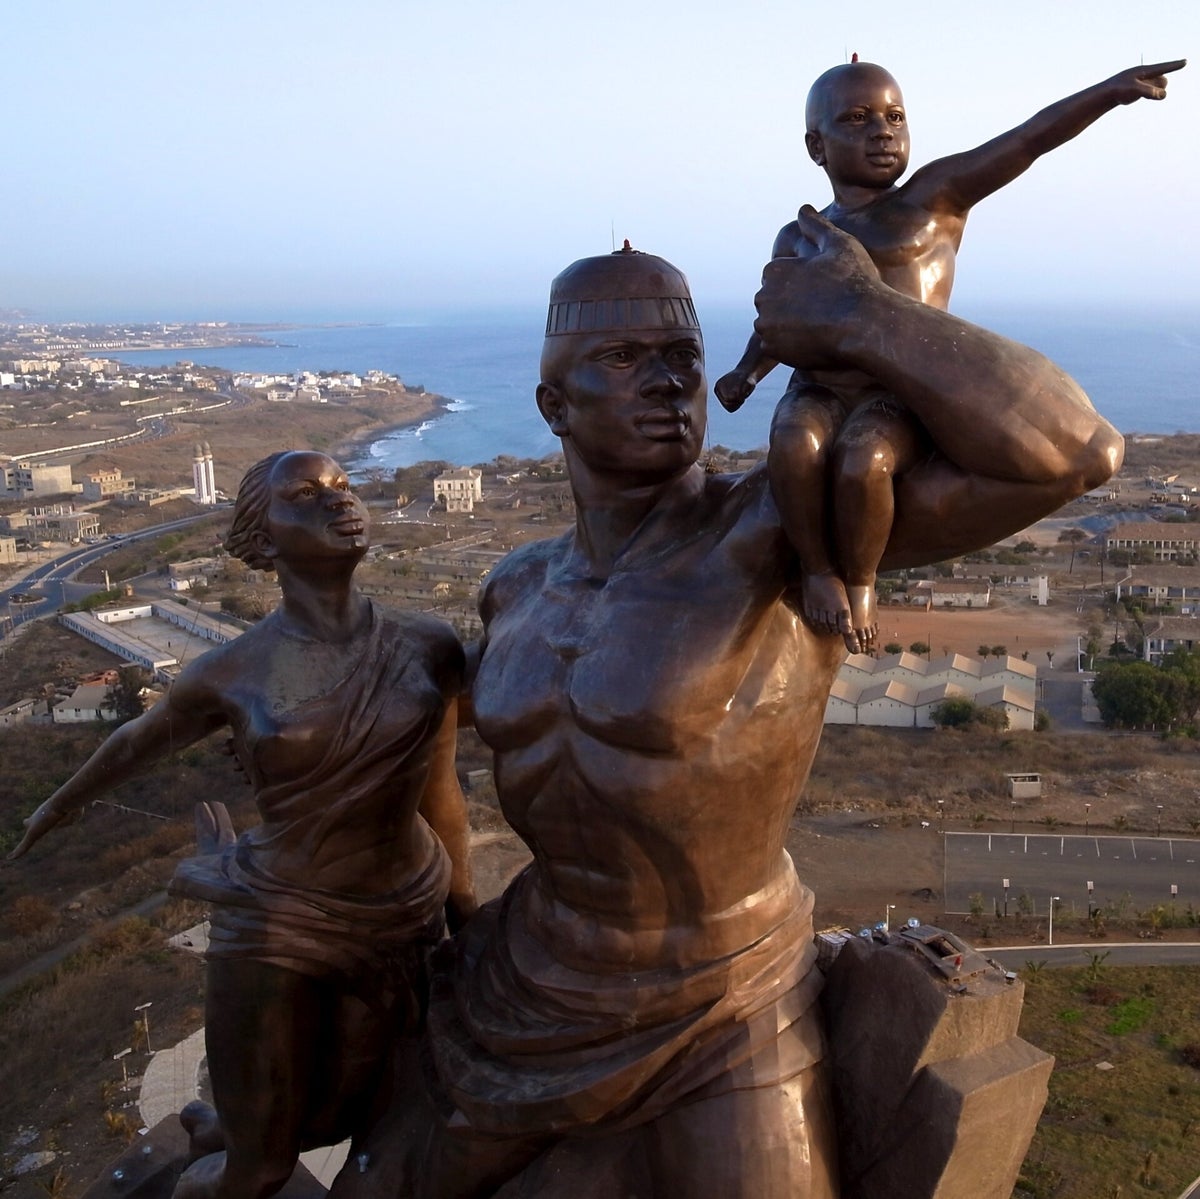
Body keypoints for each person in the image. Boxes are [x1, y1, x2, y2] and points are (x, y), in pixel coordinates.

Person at [338, 227, 1120, 1199]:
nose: (667, 384)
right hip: (524, 976)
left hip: (724, 995)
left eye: (682, 359)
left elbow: (1074, 450)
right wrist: (444, 901)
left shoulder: (777, 535)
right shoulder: (514, 588)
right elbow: (422, 750)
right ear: (552, 404)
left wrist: (860, 312)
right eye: (623, 360)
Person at [9, 451, 476, 1199]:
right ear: (262, 542)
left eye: (343, 487)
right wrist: (56, 806)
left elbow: (441, 787)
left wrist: (464, 912)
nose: (339, 502)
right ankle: (207, 1170)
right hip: (277, 925)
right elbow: (135, 741)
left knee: (365, 1117)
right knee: (261, 1169)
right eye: (305, 495)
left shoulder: (428, 643)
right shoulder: (231, 672)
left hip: (404, 914)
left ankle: (223, 1128)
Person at [716, 57, 1184, 653]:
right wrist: (746, 374)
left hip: (899, 394)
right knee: (793, 445)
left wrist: (1107, 93)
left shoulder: (931, 200)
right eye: (857, 120)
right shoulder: (802, 234)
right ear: (817, 146)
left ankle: (859, 581)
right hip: (817, 385)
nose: (882, 131)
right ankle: (816, 569)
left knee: (865, 459)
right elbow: (780, 317)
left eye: (894, 117)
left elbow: (1025, 141)